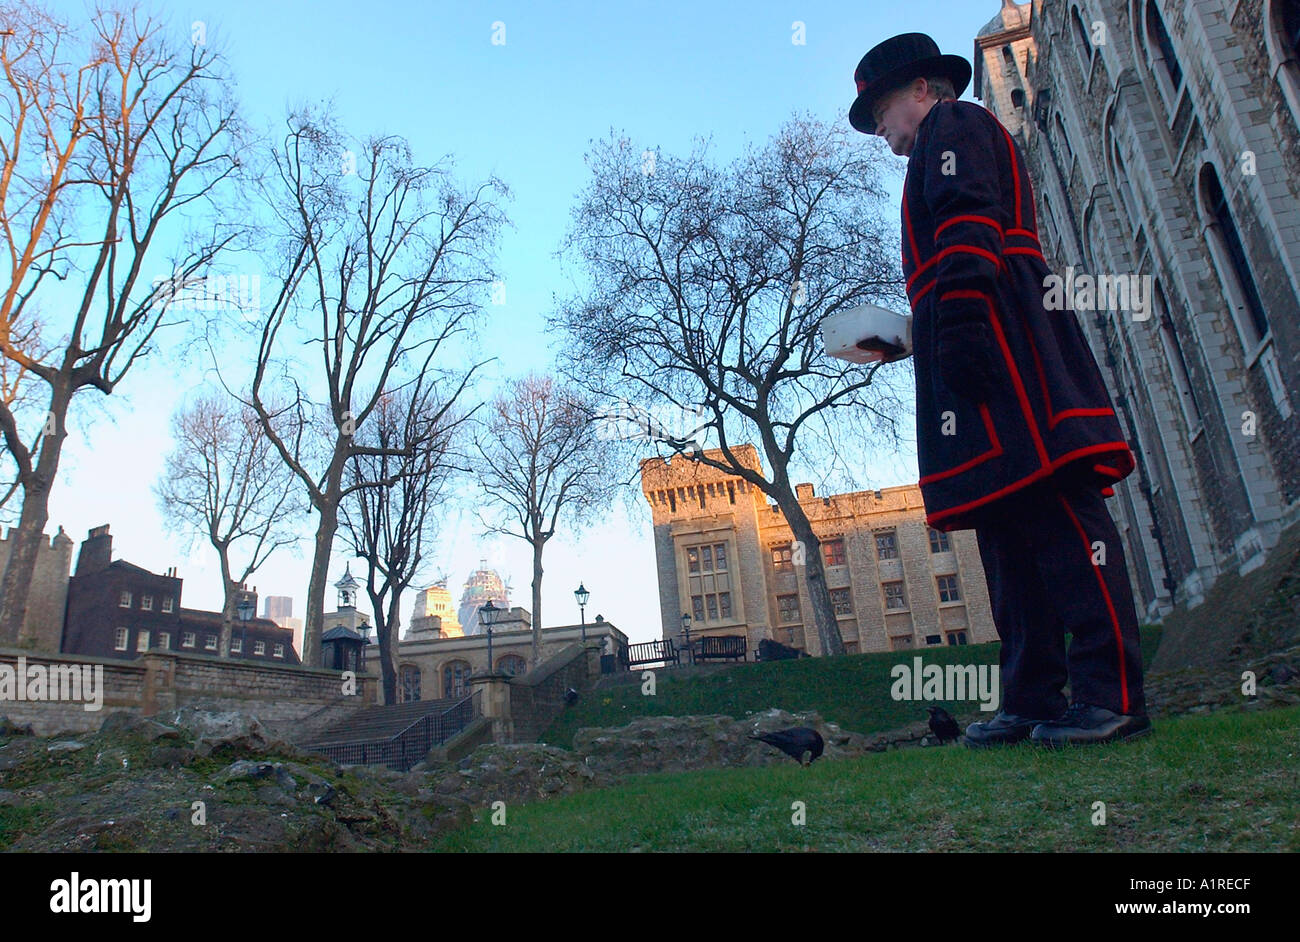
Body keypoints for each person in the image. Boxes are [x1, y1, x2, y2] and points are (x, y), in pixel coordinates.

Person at [847, 33, 1150, 746]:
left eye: (882, 111)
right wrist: (917, 333)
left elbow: (968, 225)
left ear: (922, 89)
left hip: (1008, 341)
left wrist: (962, 326)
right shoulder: (935, 142)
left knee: (1058, 516)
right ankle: (1034, 696)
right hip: (982, 330)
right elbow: (956, 259)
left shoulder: (953, 125)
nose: (882, 132)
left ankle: (1113, 695)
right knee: (1010, 534)